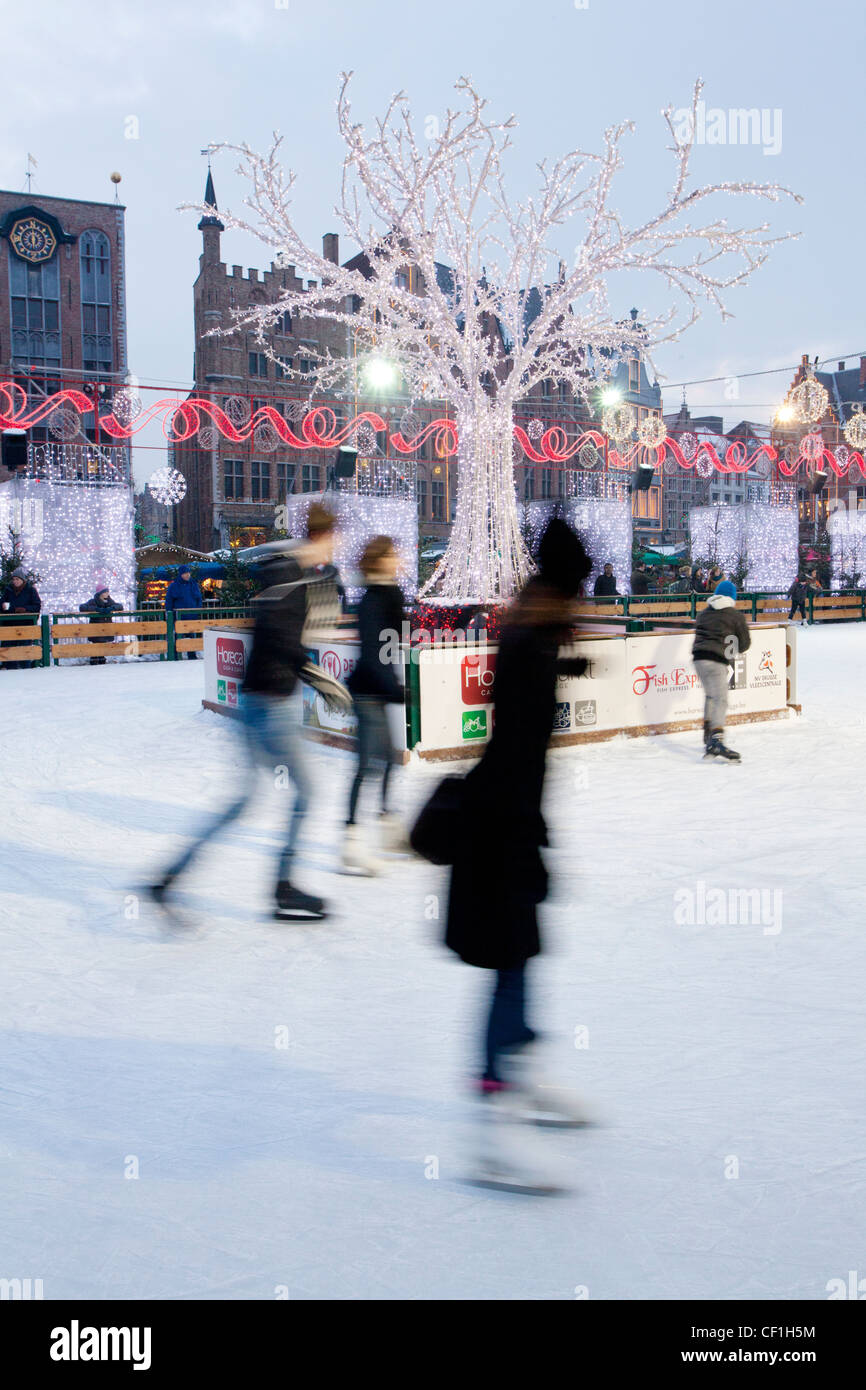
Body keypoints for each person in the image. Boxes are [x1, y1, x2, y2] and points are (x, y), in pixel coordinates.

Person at [445, 518, 592, 1193]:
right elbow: (515, 755)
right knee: (508, 968)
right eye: (582, 594)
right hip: (499, 831)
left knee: (521, 961)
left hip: (504, 825)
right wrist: (525, 839)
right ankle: (491, 1133)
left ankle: (519, 1084)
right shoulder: (531, 648)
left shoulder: (530, 637)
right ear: (565, 592)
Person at [149, 504, 352, 923]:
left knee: (244, 802)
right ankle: (283, 887)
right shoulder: (292, 573)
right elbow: (280, 637)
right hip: (270, 701)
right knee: (306, 793)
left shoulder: (298, 573)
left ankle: (170, 877)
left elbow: (294, 630)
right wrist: (321, 678)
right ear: (324, 538)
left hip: (265, 697)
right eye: (335, 540)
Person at [342, 536, 406, 875]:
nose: (399, 560)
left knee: (389, 761)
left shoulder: (388, 595)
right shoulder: (372, 600)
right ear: (379, 561)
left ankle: (386, 828)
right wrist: (393, 689)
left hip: (378, 690)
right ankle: (351, 840)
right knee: (367, 766)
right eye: (393, 555)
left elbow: (394, 641)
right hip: (368, 691)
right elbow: (374, 652)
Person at [692, 579, 751, 761]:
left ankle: (709, 731)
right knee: (721, 699)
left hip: (699, 658)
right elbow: (744, 643)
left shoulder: (704, 613)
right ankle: (716, 739)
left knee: (711, 695)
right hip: (716, 660)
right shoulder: (734, 615)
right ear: (732, 597)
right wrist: (733, 649)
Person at [1, 566, 41, 669]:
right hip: (10, 625)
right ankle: (10, 667)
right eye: (14, 579)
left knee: (24, 649)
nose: (15, 581)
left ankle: (25, 669)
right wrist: (4, 606)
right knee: (9, 648)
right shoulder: (8, 590)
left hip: (25, 625)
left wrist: (25, 609)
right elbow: (2, 603)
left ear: (22, 580)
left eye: (17, 579)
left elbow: (36, 606)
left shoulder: (30, 590)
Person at [165, 565, 203, 659]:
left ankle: (192, 655)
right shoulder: (174, 586)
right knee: (178, 636)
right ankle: (176, 655)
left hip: (192, 616)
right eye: (185, 573)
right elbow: (169, 601)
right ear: (181, 574)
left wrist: (197, 610)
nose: (187, 575)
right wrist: (170, 614)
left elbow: (198, 598)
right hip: (179, 617)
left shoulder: (193, 584)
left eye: (188, 573)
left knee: (191, 636)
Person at [79, 586, 123, 664]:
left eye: (107, 592)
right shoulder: (93, 601)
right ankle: (94, 658)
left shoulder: (109, 601)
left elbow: (120, 606)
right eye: (105, 592)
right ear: (100, 593)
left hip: (106, 627)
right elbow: (82, 607)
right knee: (96, 643)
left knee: (103, 643)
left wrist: (112, 608)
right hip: (95, 627)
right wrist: (96, 609)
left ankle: (101, 657)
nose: (107, 594)